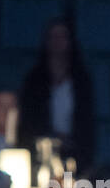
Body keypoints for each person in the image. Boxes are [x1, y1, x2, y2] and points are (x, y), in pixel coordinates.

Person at [18, 17, 96, 168]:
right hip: (40, 151)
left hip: (75, 151)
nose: (57, 42)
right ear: (46, 41)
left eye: (62, 37)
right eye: (53, 37)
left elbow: (86, 121)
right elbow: (29, 117)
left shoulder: (82, 79)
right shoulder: (34, 79)